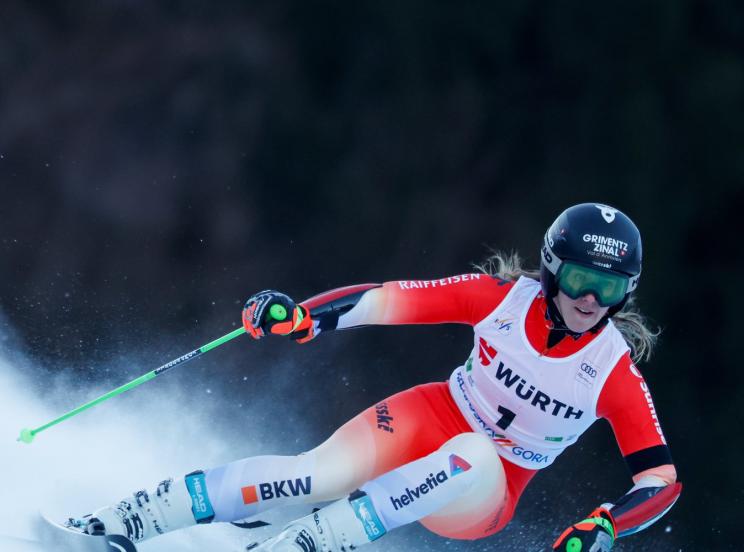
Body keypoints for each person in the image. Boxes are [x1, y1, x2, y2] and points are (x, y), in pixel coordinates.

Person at [70, 203, 681, 552]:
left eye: (609, 288)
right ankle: (117, 523)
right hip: (429, 414)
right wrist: (304, 318)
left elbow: (661, 480)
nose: (591, 300)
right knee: (316, 475)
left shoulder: (612, 373)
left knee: (471, 454)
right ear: (551, 270)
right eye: (580, 280)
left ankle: (300, 544)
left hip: (485, 492)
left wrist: (607, 523)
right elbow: (390, 299)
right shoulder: (500, 299)